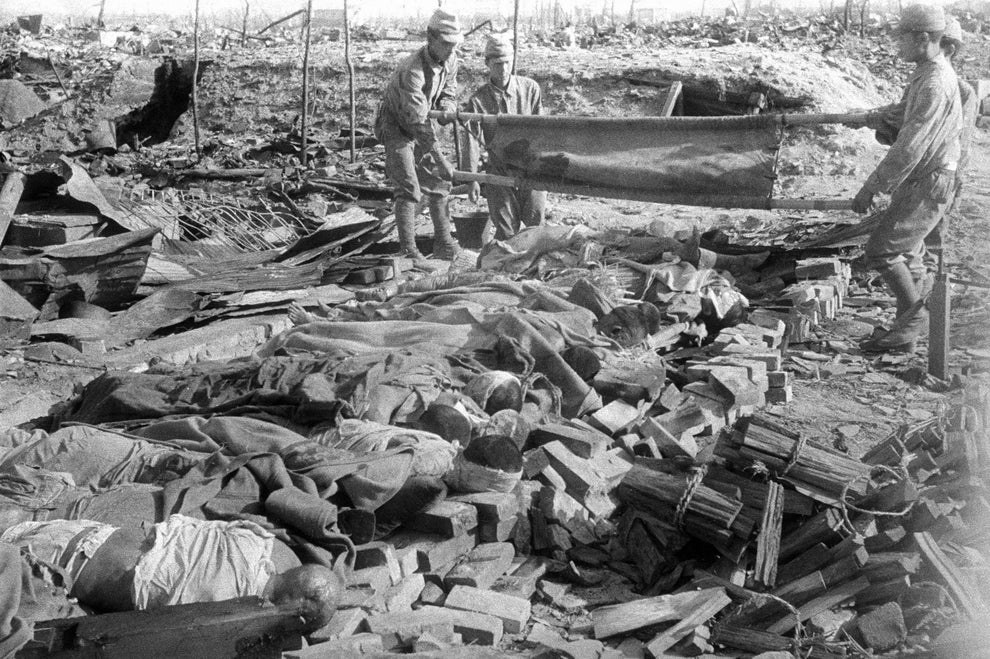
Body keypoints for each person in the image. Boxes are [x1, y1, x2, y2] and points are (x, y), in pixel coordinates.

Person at [848, 4, 962, 353]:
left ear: (924, 37)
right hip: (926, 177)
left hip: (931, 179)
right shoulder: (927, 73)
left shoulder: (935, 83)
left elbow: (909, 147)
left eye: (902, 36)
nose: (897, 44)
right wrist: (868, 117)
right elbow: (902, 115)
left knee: (882, 251)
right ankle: (904, 336)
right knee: (908, 256)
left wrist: (872, 187)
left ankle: (913, 320)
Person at [1, 515, 343, 630]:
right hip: (48, 565)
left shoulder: (252, 540)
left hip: (78, 531)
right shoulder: (227, 613)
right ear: (295, 614)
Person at [374, 9, 463, 261]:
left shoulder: (451, 60)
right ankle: (408, 251)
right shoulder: (412, 71)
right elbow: (418, 122)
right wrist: (441, 158)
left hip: (420, 122)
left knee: (437, 182)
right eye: (445, 43)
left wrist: (447, 106)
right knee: (409, 186)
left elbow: (449, 90)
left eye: (453, 44)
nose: (449, 50)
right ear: (430, 37)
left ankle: (444, 243)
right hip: (396, 125)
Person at [461, 36, 548, 242]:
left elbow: (544, 130)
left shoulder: (530, 89)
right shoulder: (478, 101)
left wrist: (546, 168)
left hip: (531, 168)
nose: (504, 68)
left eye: (508, 62)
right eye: (498, 63)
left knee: (536, 227)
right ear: (487, 64)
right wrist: (471, 179)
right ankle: (507, 271)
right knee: (506, 233)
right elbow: (471, 143)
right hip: (499, 171)